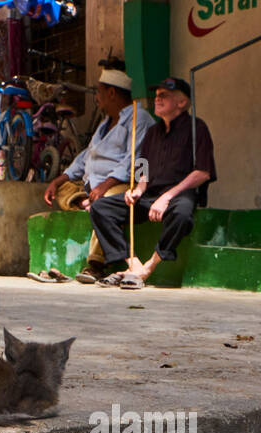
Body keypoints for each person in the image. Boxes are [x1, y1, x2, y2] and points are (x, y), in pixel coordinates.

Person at [88, 77, 216, 289]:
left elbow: (202, 172)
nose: (157, 99)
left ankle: (149, 266)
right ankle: (133, 265)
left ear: (181, 103)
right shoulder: (152, 132)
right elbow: (142, 166)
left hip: (178, 195)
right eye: (156, 96)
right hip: (149, 195)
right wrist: (138, 189)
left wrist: (166, 197)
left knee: (182, 214)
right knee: (101, 208)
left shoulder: (197, 128)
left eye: (164, 96)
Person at [43, 65, 154, 284]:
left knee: (104, 202)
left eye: (99, 92)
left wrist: (105, 185)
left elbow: (135, 158)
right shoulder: (105, 122)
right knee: (62, 191)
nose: (96, 98)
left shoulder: (138, 119)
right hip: (91, 184)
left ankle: (96, 264)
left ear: (112, 93)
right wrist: (59, 179)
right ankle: (84, 201)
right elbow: (87, 155)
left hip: (118, 183)